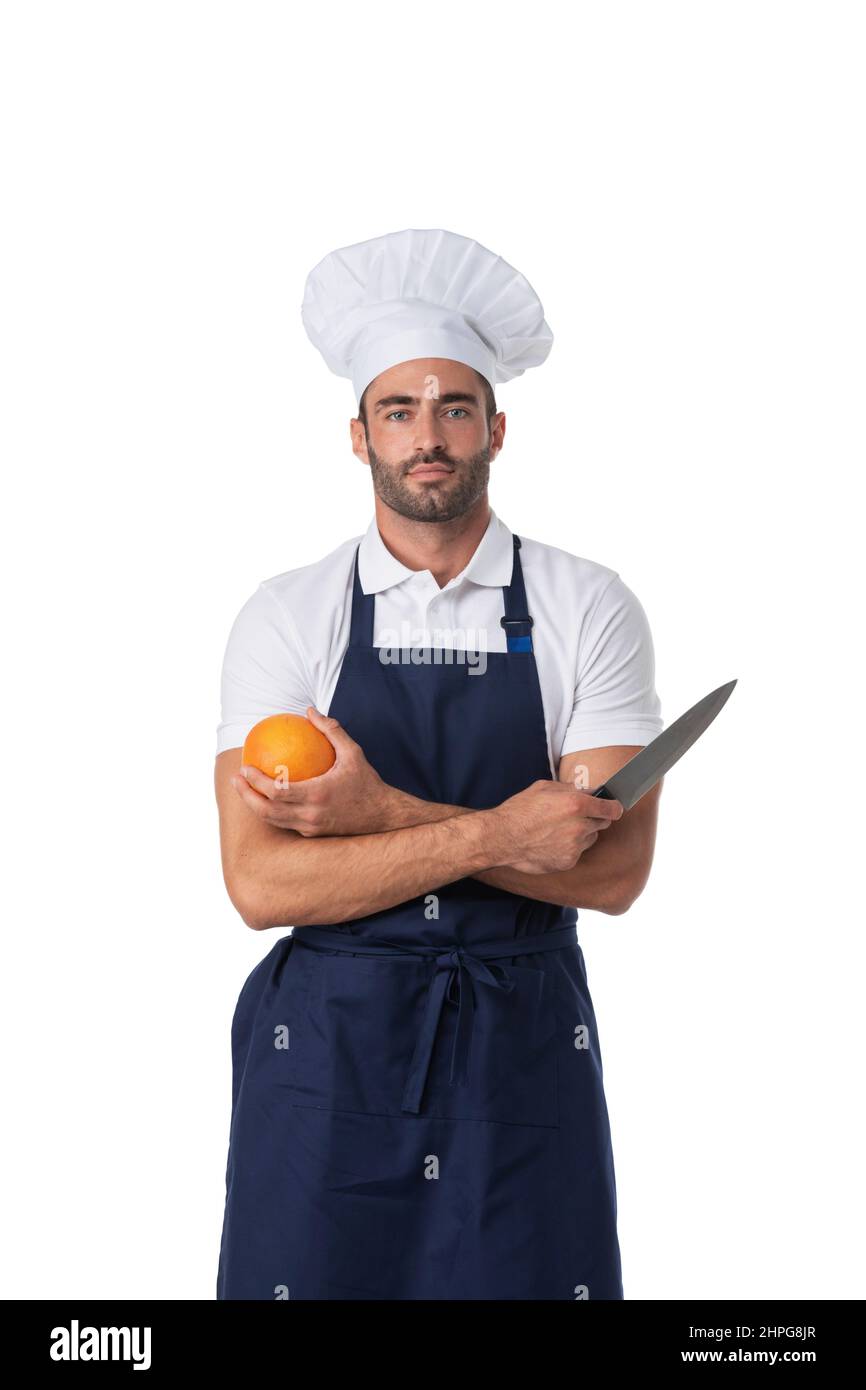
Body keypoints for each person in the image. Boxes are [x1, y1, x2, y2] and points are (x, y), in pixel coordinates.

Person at [214, 228, 664, 1300]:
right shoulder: (288, 616)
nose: (428, 437)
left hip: (518, 1048)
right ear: (357, 433)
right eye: (399, 410)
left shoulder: (582, 607)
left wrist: (370, 818)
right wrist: (505, 834)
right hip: (326, 1053)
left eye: (453, 407)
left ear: (495, 428)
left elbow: (606, 872)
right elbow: (261, 882)